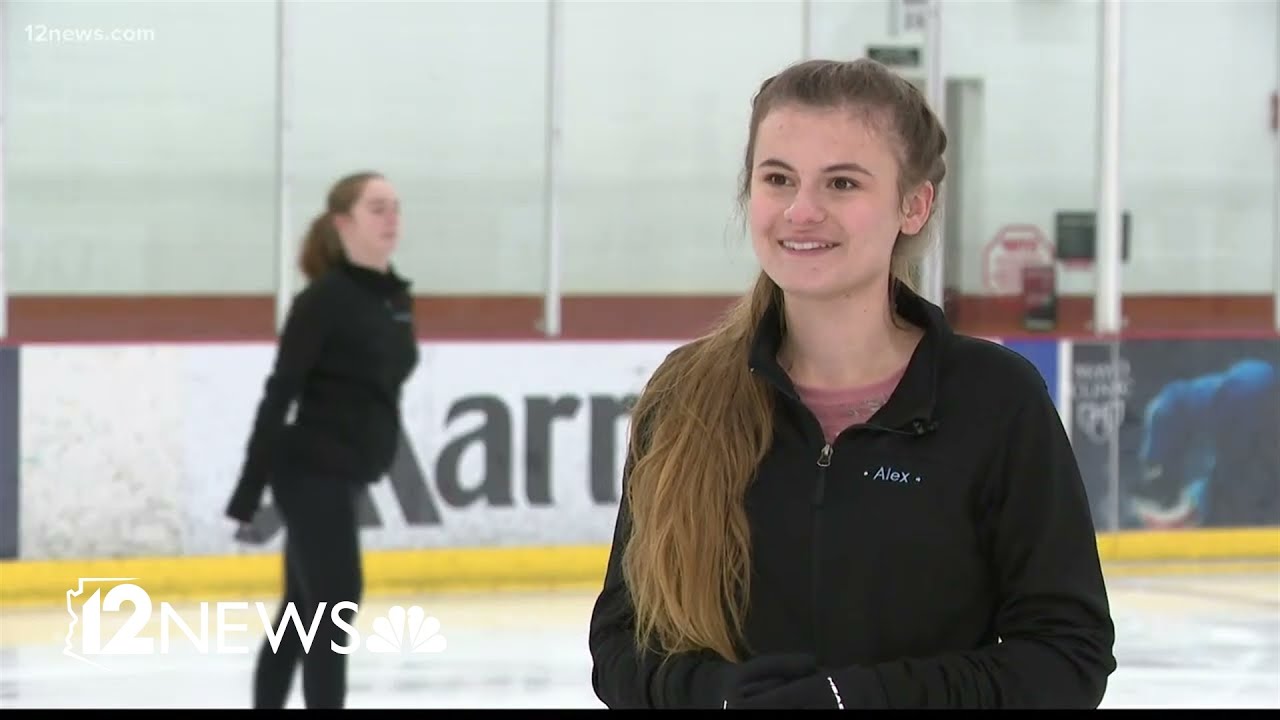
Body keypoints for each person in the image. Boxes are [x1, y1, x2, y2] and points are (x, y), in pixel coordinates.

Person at [587, 58, 1117, 709]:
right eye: (778, 178)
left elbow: (1067, 654)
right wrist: (718, 697)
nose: (802, 210)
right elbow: (621, 642)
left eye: (842, 183)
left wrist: (856, 699)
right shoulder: (686, 395)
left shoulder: (995, 399)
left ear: (914, 205)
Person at [224, 171, 419, 709]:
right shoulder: (323, 301)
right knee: (334, 606)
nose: (391, 218)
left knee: (301, 613)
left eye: (395, 207)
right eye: (376, 208)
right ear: (342, 223)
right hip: (310, 471)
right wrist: (249, 489)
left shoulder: (394, 299)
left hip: (347, 473)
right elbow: (279, 393)